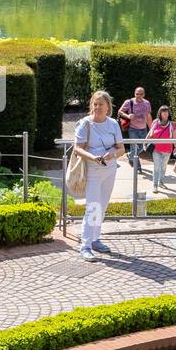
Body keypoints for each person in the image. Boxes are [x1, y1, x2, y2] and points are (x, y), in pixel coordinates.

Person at [72, 90, 125, 262]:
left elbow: (121, 149)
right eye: (95, 104)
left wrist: (112, 155)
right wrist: (93, 157)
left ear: (108, 106)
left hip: (109, 170)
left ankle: (95, 239)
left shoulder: (113, 124)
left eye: (101, 104)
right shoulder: (84, 124)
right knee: (92, 207)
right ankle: (85, 245)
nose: (97, 107)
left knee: (102, 207)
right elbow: (77, 148)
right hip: (92, 171)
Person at [117, 86, 152, 170]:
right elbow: (120, 111)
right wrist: (128, 116)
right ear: (134, 93)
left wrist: (151, 129)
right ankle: (138, 167)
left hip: (143, 128)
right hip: (133, 128)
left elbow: (148, 116)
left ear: (144, 94)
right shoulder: (129, 102)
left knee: (142, 147)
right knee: (134, 147)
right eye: (137, 94)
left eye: (141, 94)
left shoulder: (147, 103)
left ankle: (130, 155)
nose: (138, 96)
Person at [146, 105, 176, 193]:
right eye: (163, 111)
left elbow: (175, 137)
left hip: (167, 150)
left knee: (163, 167)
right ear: (160, 113)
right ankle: (155, 185)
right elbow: (150, 132)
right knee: (157, 167)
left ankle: (161, 182)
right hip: (156, 149)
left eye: (167, 111)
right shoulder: (155, 122)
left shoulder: (172, 124)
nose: (165, 113)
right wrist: (145, 141)